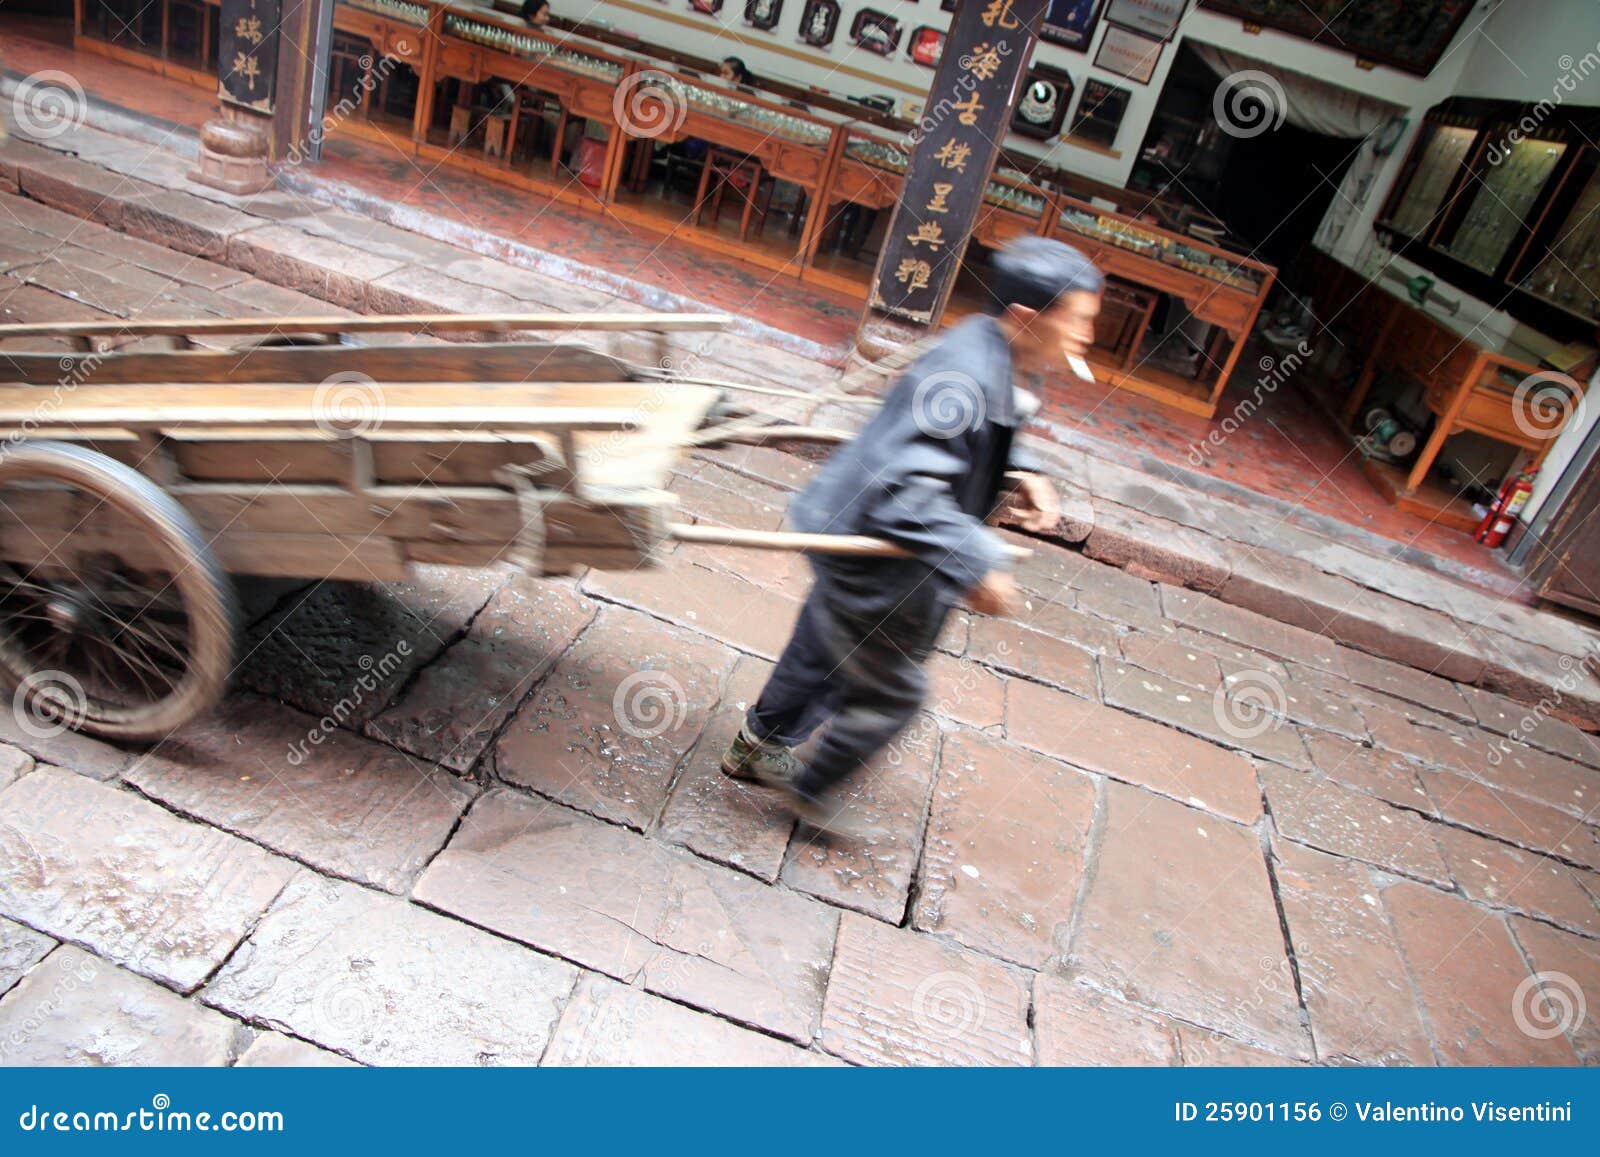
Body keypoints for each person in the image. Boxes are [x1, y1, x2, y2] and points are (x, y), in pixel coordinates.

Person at [721, 236, 1103, 836]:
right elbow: (911, 491)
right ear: (1029, 319)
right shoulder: (967, 373)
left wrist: (1023, 471)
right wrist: (979, 562)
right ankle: (810, 793)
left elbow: (975, 438)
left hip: (848, 518)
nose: (1085, 338)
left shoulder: (996, 349)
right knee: (894, 689)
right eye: (1078, 322)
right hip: (876, 545)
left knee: (825, 647)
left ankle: (758, 743)